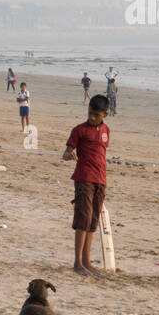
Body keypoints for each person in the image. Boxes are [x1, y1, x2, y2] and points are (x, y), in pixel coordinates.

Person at [63, 94, 111, 275]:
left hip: (101, 179)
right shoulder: (79, 130)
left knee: (92, 222)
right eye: (90, 113)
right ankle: (77, 263)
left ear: (105, 114)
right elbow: (66, 152)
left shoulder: (106, 130)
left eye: (96, 115)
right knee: (83, 219)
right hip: (84, 178)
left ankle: (87, 261)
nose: (92, 118)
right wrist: (69, 155)